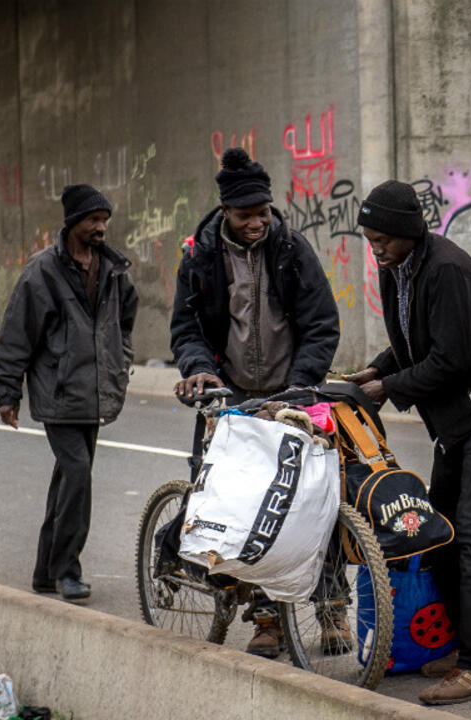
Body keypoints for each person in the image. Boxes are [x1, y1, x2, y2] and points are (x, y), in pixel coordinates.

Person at [343, 180, 471, 706]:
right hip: (458, 414)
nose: (377, 249)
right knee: (443, 530)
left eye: (384, 239)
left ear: (409, 231)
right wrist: (375, 370)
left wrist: (388, 388)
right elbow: (413, 339)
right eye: (370, 240)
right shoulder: (397, 268)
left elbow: (450, 358)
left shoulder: (446, 269)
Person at [169, 147, 340, 657]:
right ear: (225, 211)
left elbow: (322, 323)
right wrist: (199, 368)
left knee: (318, 501)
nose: (257, 223)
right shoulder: (199, 257)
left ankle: (331, 608)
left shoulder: (291, 249)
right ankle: (266, 620)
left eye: (263, 212)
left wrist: (302, 385)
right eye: (246, 215)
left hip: (292, 393)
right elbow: (186, 328)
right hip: (233, 396)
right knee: (242, 510)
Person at [0, 184, 138, 602]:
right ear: (73, 222)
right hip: (58, 393)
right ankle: (68, 570)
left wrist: (120, 356)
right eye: (93, 220)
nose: (101, 228)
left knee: (68, 481)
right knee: (76, 474)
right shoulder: (42, 272)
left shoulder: (112, 270)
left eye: (104, 220)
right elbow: (16, 334)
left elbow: (125, 319)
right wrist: (7, 392)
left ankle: (44, 572)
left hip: (95, 392)